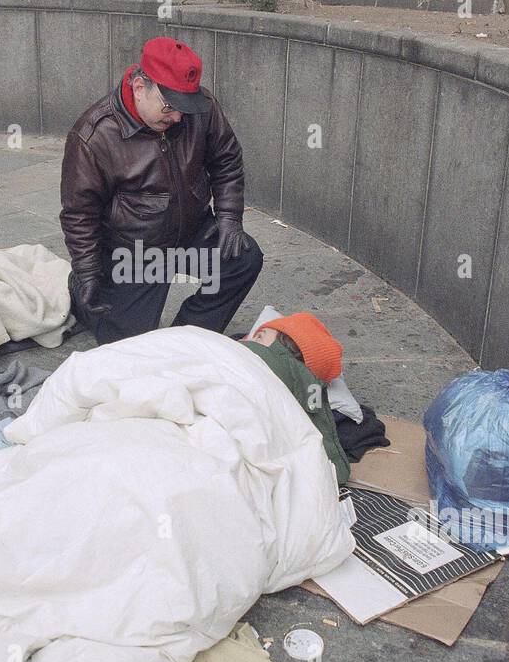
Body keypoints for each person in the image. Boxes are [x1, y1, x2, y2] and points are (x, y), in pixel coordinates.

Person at [60, 37, 264, 344]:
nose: (178, 117)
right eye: (170, 107)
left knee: (244, 259)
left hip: (192, 232)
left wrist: (229, 217)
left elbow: (227, 159)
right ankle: (81, 289)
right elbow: (79, 214)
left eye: (185, 107)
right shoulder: (94, 136)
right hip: (133, 250)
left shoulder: (200, 108)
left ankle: (187, 338)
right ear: (140, 87)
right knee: (128, 344)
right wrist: (87, 270)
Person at [241, 312, 351, 484]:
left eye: (260, 337)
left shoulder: (285, 369)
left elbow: (333, 468)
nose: (245, 340)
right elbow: (335, 468)